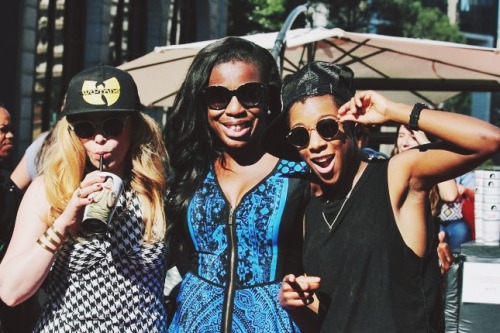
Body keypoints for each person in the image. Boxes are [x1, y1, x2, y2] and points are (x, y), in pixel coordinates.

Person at [262, 61, 500, 332]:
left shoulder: (395, 176)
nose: (315, 144)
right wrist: (296, 305)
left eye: (327, 127)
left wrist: (393, 111)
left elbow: (488, 139)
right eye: (301, 135)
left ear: (352, 127)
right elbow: (330, 319)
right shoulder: (309, 207)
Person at [0, 64, 170, 332]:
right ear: (71, 132)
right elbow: (10, 291)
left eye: (113, 126)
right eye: (85, 128)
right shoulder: (51, 189)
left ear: (134, 126)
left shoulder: (158, 190)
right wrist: (62, 224)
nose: (99, 138)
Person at [164, 37, 309, 332]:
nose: (234, 109)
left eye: (250, 94)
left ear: (269, 99)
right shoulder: (188, 172)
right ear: (203, 103)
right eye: (218, 97)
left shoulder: (301, 175)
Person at [393, 124, 471, 252]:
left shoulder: (429, 169)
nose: (405, 143)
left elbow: (450, 195)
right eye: (401, 136)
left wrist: (426, 143)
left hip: (425, 232)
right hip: (401, 233)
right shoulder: (390, 166)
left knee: (459, 229)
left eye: (413, 137)